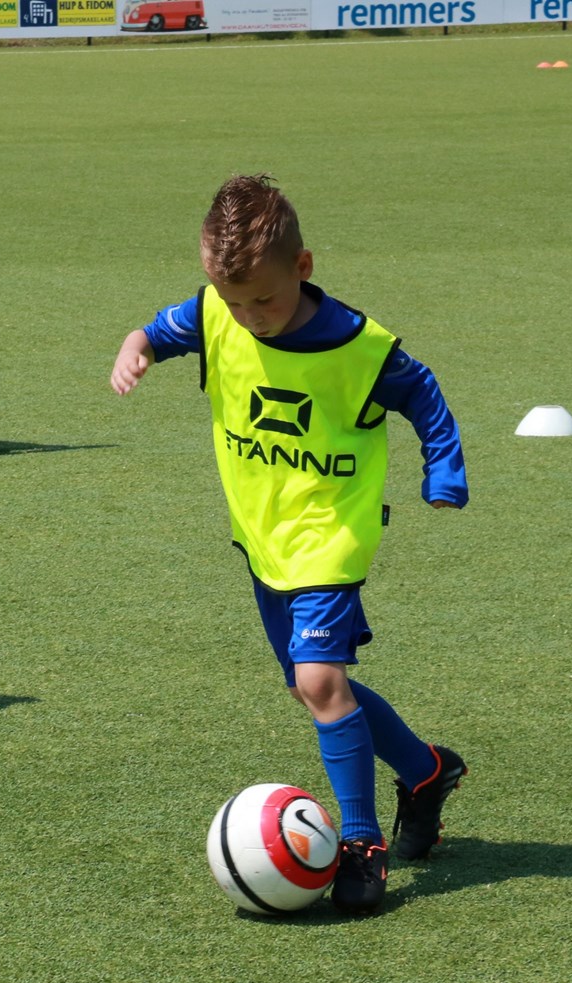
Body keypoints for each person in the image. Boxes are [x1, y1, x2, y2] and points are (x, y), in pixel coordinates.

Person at [111, 174, 470, 916]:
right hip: (263, 538)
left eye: (263, 300)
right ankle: (426, 770)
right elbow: (161, 328)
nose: (248, 317)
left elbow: (424, 393)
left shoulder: (358, 346)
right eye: (233, 301)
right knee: (313, 685)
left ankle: (361, 844)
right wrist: (135, 347)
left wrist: (445, 467)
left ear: (302, 267)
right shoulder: (219, 311)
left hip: (329, 534)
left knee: (317, 682)